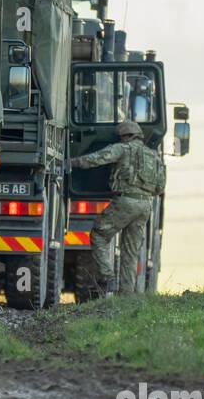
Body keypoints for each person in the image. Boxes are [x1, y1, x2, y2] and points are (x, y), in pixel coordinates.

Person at [67, 120, 166, 294]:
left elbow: (97, 159)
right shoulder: (154, 156)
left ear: (125, 136)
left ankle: (108, 277)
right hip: (146, 205)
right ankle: (126, 296)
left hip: (126, 201)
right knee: (130, 251)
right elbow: (160, 187)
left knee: (98, 235)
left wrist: (72, 162)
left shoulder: (123, 149)